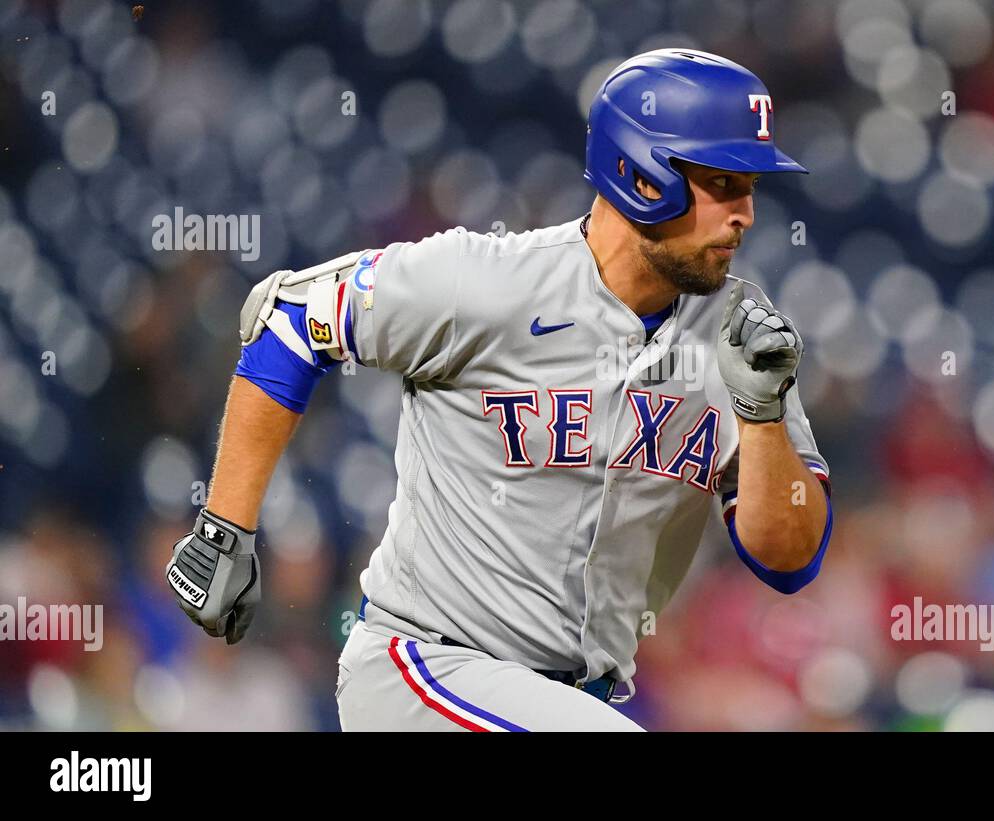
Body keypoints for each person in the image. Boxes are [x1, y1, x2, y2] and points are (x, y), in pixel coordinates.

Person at [164, 48, 833, 731]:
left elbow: (789, 559)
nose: (745, 213)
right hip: (425, 670)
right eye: (723, 182)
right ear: (639, 173)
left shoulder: (743, 338)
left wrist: (761, 414)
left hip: (573, 701)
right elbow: (290, 320)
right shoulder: (488, 283)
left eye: (750, 187)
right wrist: (225, 530)